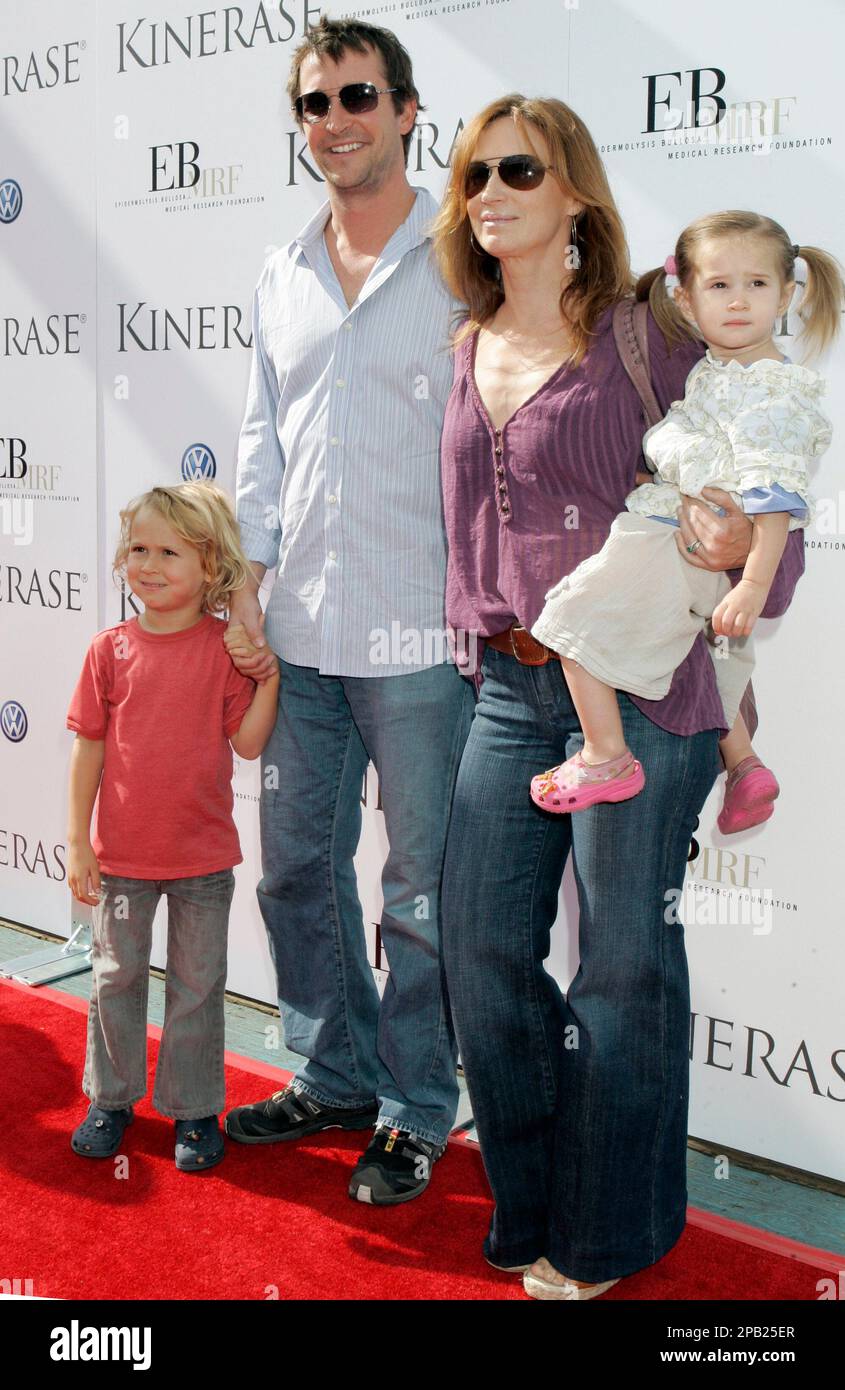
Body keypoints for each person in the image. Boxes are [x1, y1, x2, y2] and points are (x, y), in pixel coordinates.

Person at [432, 96, 805, 1299]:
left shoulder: (652, 335)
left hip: (644, 693)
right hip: (508, 680)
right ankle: (537, 1197)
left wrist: (740, 545)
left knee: (622, 970)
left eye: (518, 170)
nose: (490, 191)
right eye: (473, 173)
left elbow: (765, 494)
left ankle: (605, 1233)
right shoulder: (464, 339)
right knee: (482, 949)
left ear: (575, 191)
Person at [222, 17, 474, 1205]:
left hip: (424, 631)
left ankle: (420, 1107)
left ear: (408, 108)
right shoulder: (282, 269)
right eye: (314, 104)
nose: (335, 120)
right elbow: (264, 440)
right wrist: (247, 586)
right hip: (301, 632)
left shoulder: (466, 254)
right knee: (292, 872)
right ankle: (333, 1072)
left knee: (418, 892)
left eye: (357, 96)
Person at [530, 212, 839, 833]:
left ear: (787, 294)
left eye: (756, 284)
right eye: (719, 286)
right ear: (687, 301)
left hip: (670, 546)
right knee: (718, 661)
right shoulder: (721, 373)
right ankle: (745, 762)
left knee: (568, 623)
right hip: (678, 539)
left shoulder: (770, 389)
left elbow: (773, 497)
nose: (737, 301)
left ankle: (605, 756)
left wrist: (752, 583)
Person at [66, 483, 279, 1172]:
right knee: (114, 977)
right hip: (123, 856)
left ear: (210, 564)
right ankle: (111, 1097)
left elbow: (247, 743)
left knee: (197, 985)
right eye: (137, 549)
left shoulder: (225, 648)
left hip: (202, 859)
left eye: (168, 552)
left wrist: (268, 679)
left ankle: (193, 1110)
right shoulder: (109, 650)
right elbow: (88, 747)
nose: (148, 565)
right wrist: (77, 840)